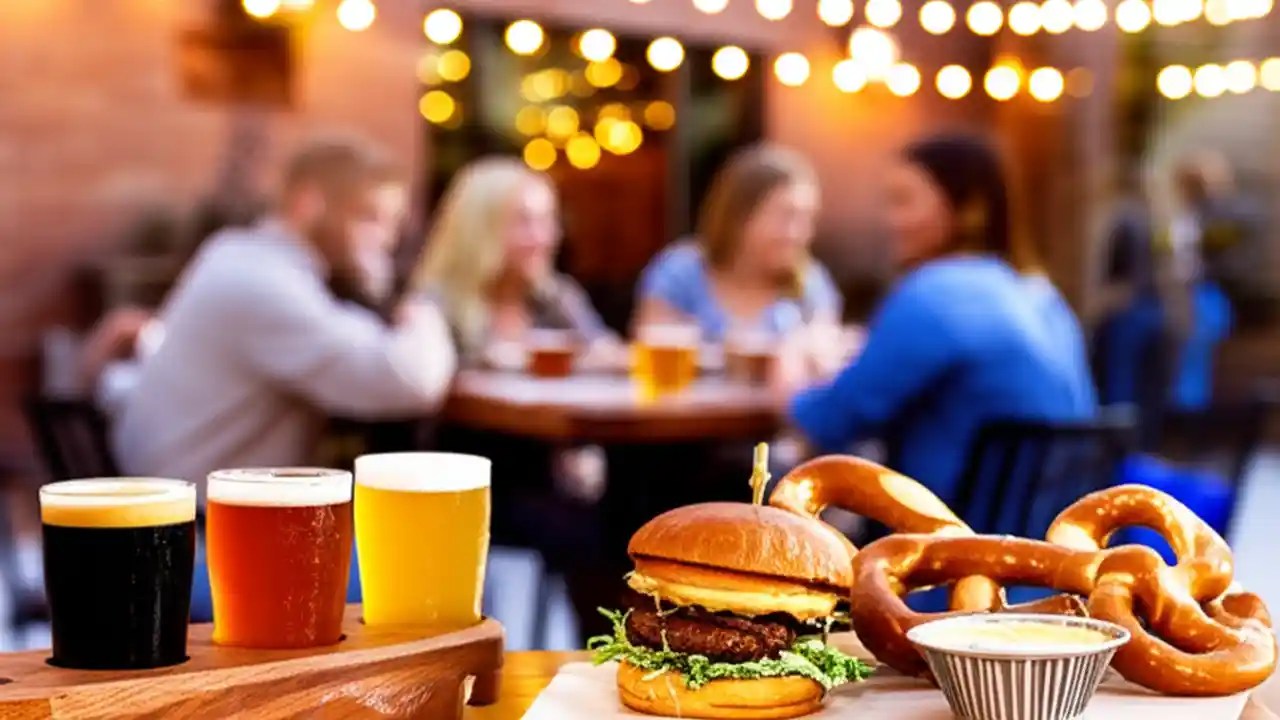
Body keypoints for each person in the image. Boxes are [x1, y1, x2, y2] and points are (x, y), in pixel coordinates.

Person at [115, 134, 456, 488]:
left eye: (391, 223)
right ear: (307, 204)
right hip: (201, 520)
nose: (385, 240)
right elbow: (409, 381)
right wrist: (422, 309)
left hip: (176, 489)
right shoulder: (266, 285)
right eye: (370, 217)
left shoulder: (236, 251)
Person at [774, 134, 1096, 506]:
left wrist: (786, 370)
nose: (890, 220)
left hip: (948, 543)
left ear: (969, 209)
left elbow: (830, 420)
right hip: (1050, 537)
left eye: (904, 201)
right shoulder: (1041, 294)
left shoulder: (934, 293)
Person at [412, 156, 619, 367]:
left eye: (547, 220)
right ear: (479, 230)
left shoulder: (556, 298)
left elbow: (607, 351)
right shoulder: (433, 307)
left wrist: (586, 358)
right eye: (524, 222)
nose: (542, 238)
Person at [634, 144, 843, 350]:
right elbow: (652, 341)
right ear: (740, 216)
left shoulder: (808, 282)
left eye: (807, 218)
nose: (797, 233)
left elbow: (823, 350)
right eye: (786, 215)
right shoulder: (681, 272)